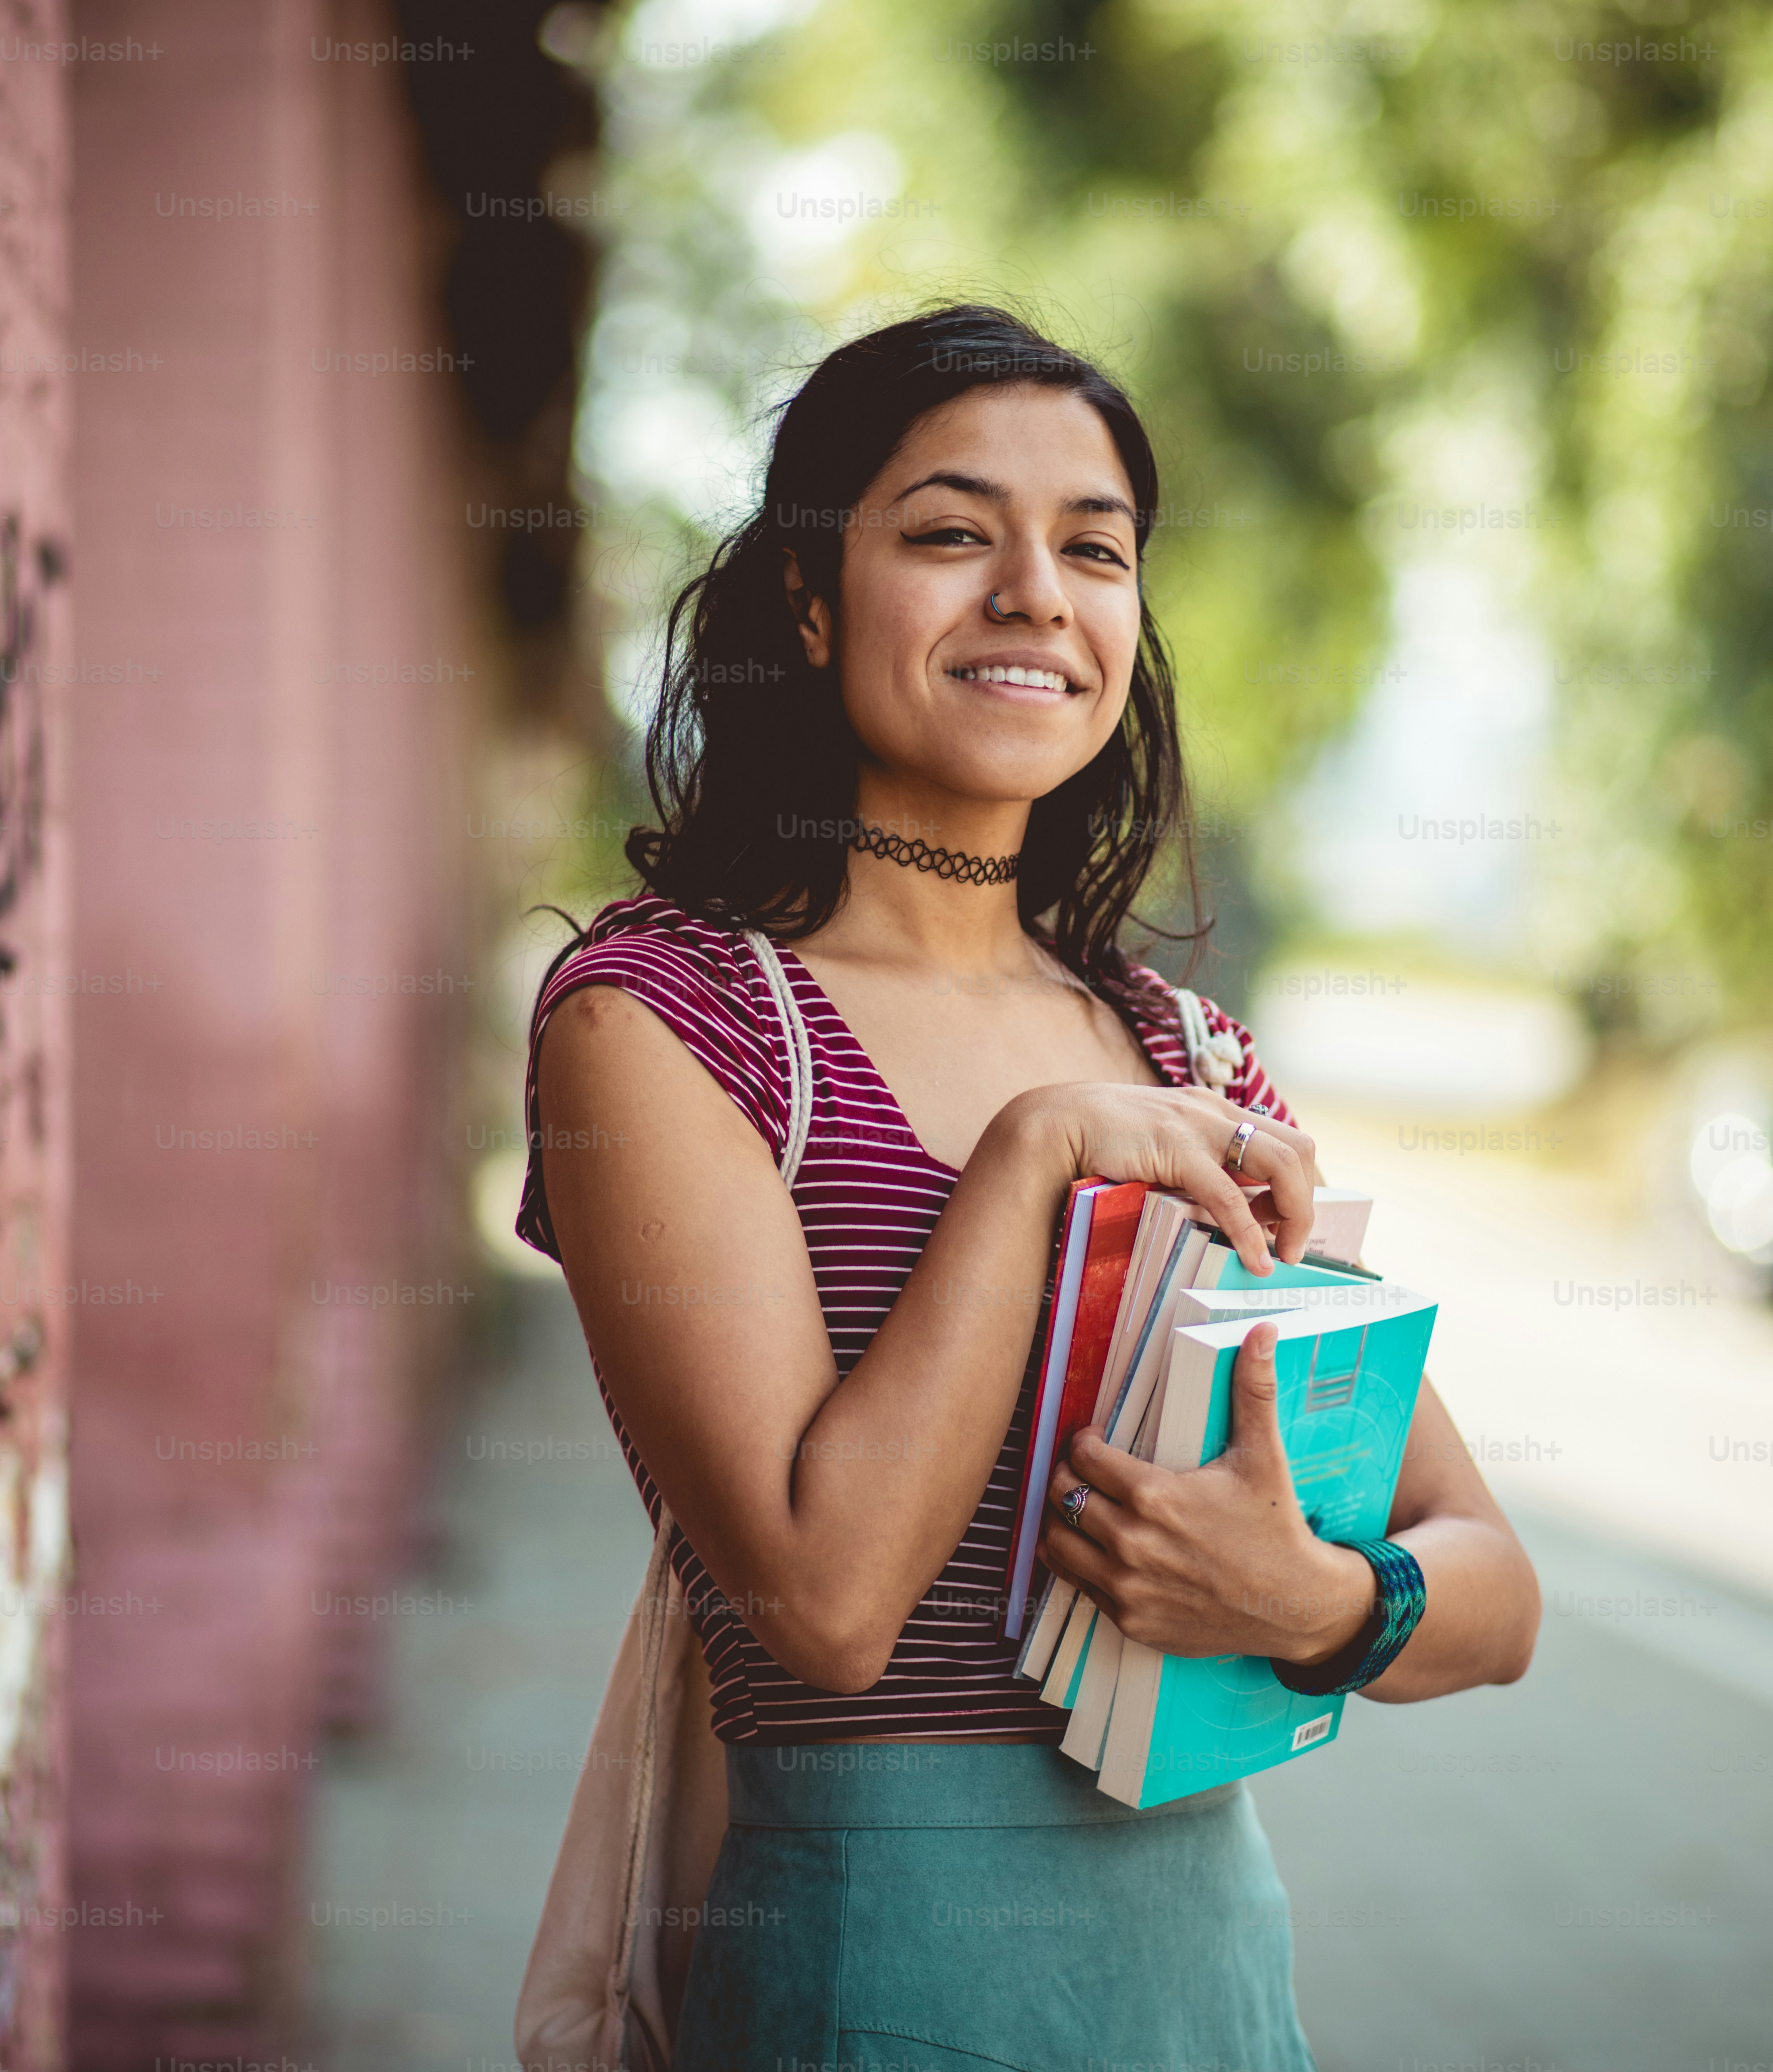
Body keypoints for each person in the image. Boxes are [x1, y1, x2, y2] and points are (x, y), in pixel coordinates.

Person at [521, 303, 1540, 2068]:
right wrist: (1035, 1154)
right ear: (807, 601)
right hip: (871, 1972)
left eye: (1092, 548)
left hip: (1203, 1973)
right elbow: (822, 1608)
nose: (1032, 594)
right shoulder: (666, 1018)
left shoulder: (1189, 1057)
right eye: (945, 532)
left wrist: (1307, 1603)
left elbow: (1489, 1586)